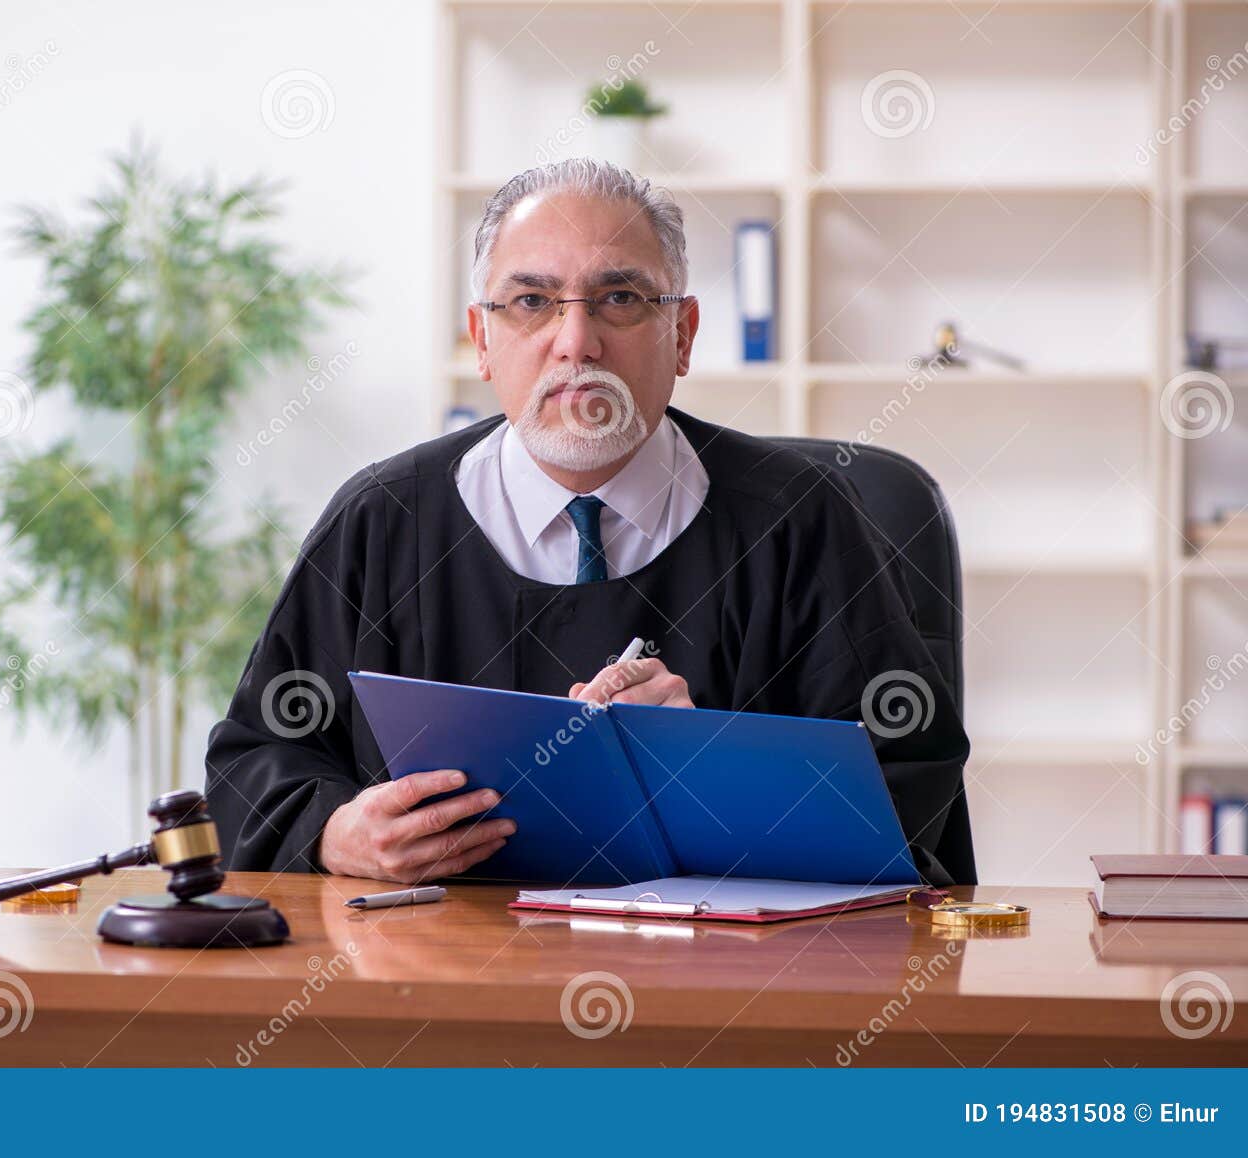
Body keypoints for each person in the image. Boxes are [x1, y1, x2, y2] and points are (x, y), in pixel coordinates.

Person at [205, 158, 970, 886]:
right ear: (482, 338)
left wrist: (711, 761)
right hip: (441, 982)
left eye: (621, 299)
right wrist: (333, 833)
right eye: (533, 302)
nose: (577, 342)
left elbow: (905, 778)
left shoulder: (802, 519)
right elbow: (258, 756)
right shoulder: (382, 521)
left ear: (683, 337)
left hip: (720, 990)